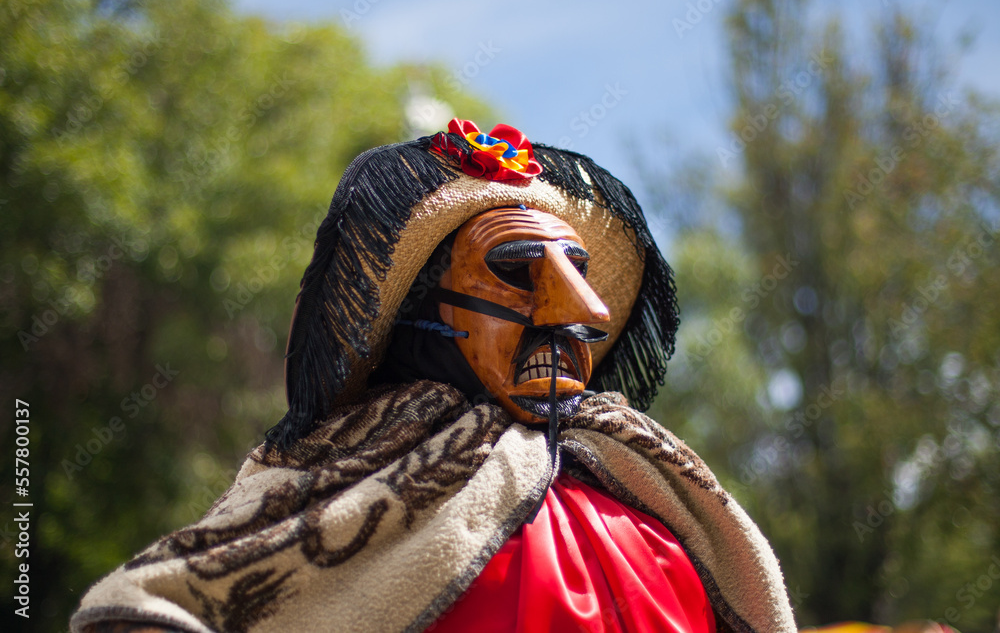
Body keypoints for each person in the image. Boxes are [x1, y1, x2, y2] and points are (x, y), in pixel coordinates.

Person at [72, 119, 796, 632]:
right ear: (414, 312)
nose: (585, 312)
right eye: (518, 268)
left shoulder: (670, 508)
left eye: (579, 271)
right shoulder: (323, 495)